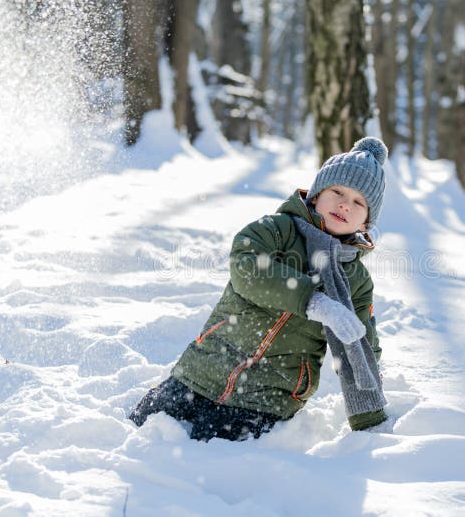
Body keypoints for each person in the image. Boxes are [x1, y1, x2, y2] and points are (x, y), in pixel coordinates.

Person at [129, 137, 389, 441]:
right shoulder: (278, 229)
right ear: (316, 195)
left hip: (266, 398)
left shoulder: (354, 280)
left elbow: (360, 349)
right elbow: (246, 265)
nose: (346, 203)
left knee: (209, 461)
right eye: (337, 191)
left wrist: (371, 421)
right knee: (140, 433)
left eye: (359, 202)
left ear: (366, 224)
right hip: (201, 371)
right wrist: (312, 300)